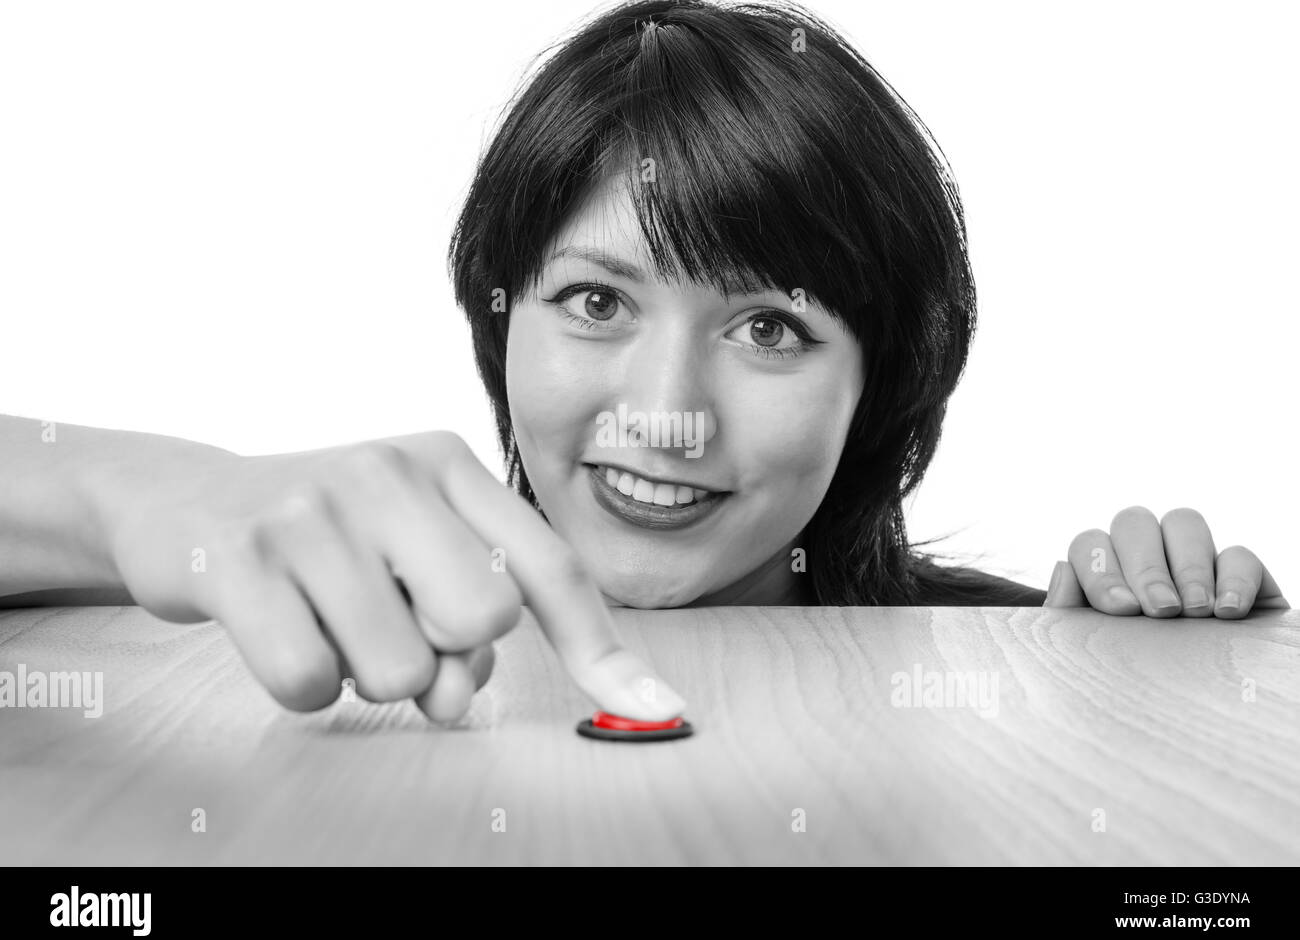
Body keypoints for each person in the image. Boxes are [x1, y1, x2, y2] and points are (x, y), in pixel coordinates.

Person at [0, 0, 1286, 725]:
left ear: (886, 377)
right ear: (500, 318)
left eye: (768, 329)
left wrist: (1154, 672)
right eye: (596, 300)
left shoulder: (992, 673)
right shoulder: (318, 616)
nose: (666, 417)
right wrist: (134, 493)